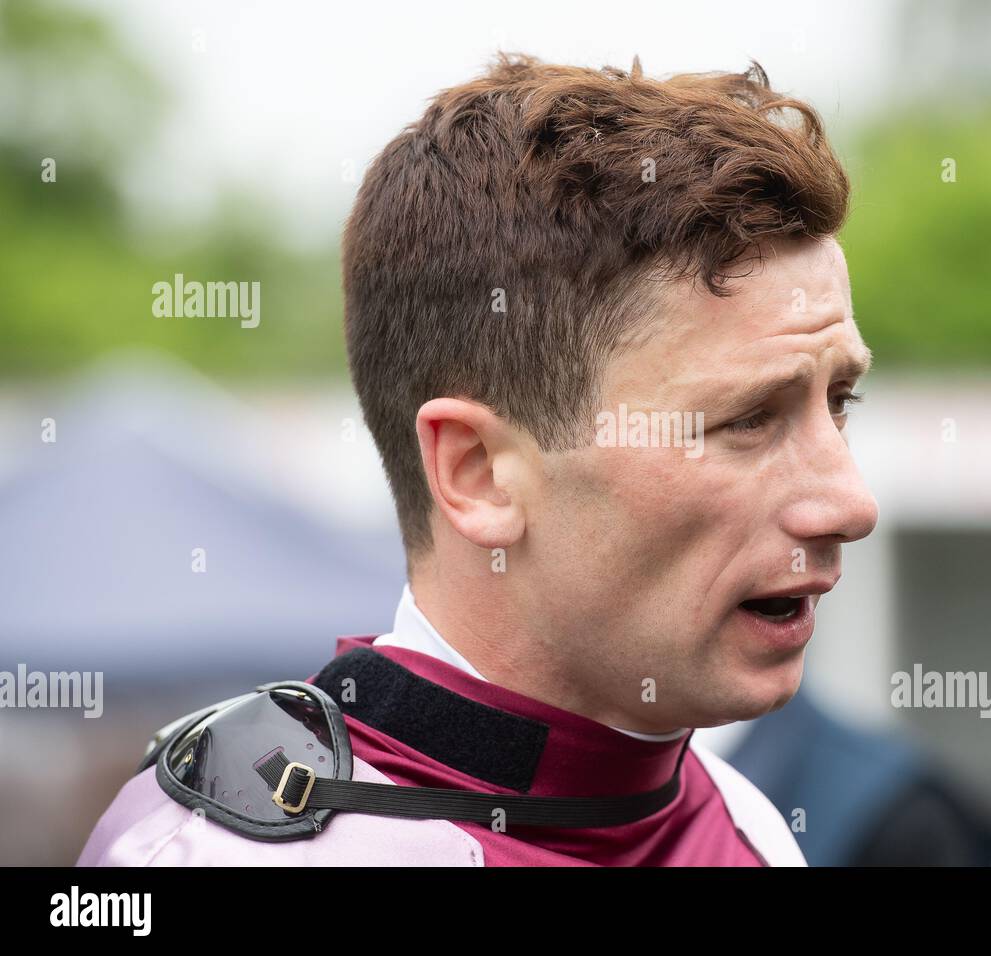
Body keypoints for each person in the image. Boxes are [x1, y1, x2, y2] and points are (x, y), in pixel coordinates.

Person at [76, 51, 878, 866]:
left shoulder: (750, 827)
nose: (851, 505)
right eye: (747, 419)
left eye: (839, 402)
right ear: (479, 473)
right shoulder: (206, 856)